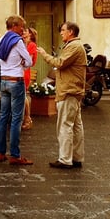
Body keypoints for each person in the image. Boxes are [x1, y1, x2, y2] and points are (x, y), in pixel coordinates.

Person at [37, 21, 87, 169]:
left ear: (71, 32)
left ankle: (65, 159)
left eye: (63, 30)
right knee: (76, 126)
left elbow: (59, 62)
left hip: (69, 91)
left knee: (65, 126)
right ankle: (77, 157)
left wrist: (44, 54)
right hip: (73, 91)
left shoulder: (74, 46)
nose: (61, 33)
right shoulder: (75, 46)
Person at [0, 15, 33, 165]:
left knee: (3, 117)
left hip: (3, 80)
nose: (23, 29)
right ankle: (15, 155)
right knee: (17, 119)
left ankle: (0, 152)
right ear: (15, 25)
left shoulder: (1, 40)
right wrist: (22, 64)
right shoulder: (17, 41)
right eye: (21, 26)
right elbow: (29, 61)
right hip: (16, 81)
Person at [22, 26, 38, 130]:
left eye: (25, 32)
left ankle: (28, 117)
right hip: (21, 71)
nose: (23, 33)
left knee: (23, 95)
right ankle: (24, 118)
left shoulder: (32, 45)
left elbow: (29, 60)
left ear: (30, 34)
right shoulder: (23, 44)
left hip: (25, 71)